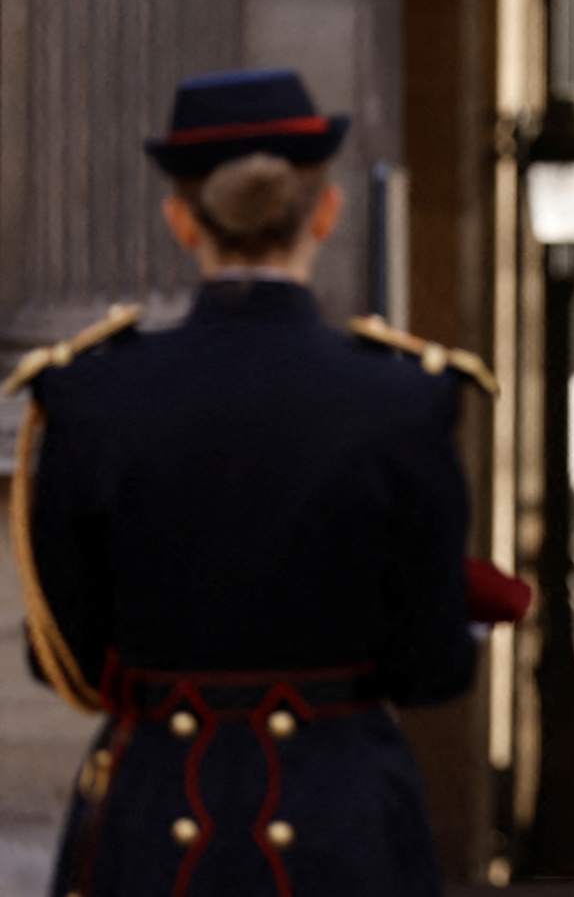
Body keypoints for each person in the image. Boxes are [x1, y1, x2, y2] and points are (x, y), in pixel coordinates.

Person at [7, 68, 493, 897]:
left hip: (158, 806)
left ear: (180, 222)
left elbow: (69, 661)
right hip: (342, 816)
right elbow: (431, 668)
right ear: (327, 213)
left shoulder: (90, 395)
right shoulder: (406, 398)